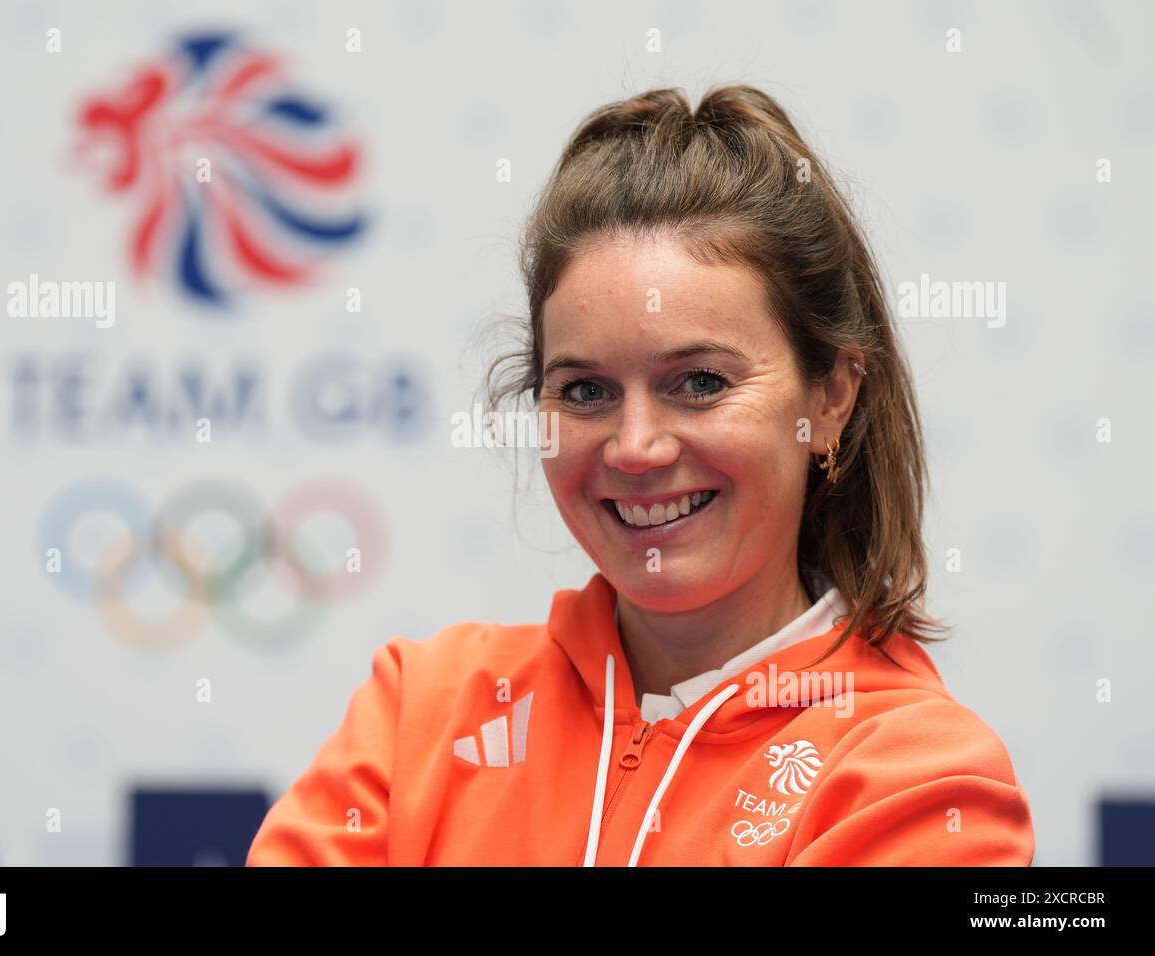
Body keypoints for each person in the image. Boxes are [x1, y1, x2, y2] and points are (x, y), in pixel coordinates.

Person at [246, 84, 1035, 866]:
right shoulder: (423, 710)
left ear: (830, 397)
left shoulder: (918, 780)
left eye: (699, 382)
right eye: (585, 391)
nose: (636, 448)